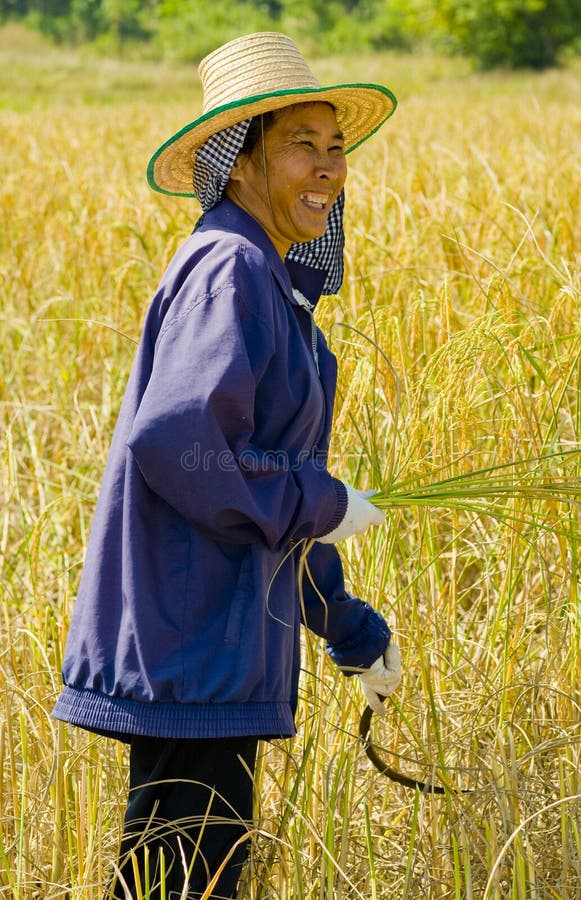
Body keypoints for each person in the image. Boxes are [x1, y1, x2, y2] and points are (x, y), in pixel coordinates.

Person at [52, 31, 402, 900]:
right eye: (299, 147)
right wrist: (319, 498)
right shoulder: (230, 267)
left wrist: (349, 629)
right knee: (181, 883)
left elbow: (265, 497)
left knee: (191, 877)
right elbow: (182, 443)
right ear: (237, 164)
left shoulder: (267, 282)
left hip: (214, 647)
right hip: (191, 644)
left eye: (335, 148)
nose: (327, 168)